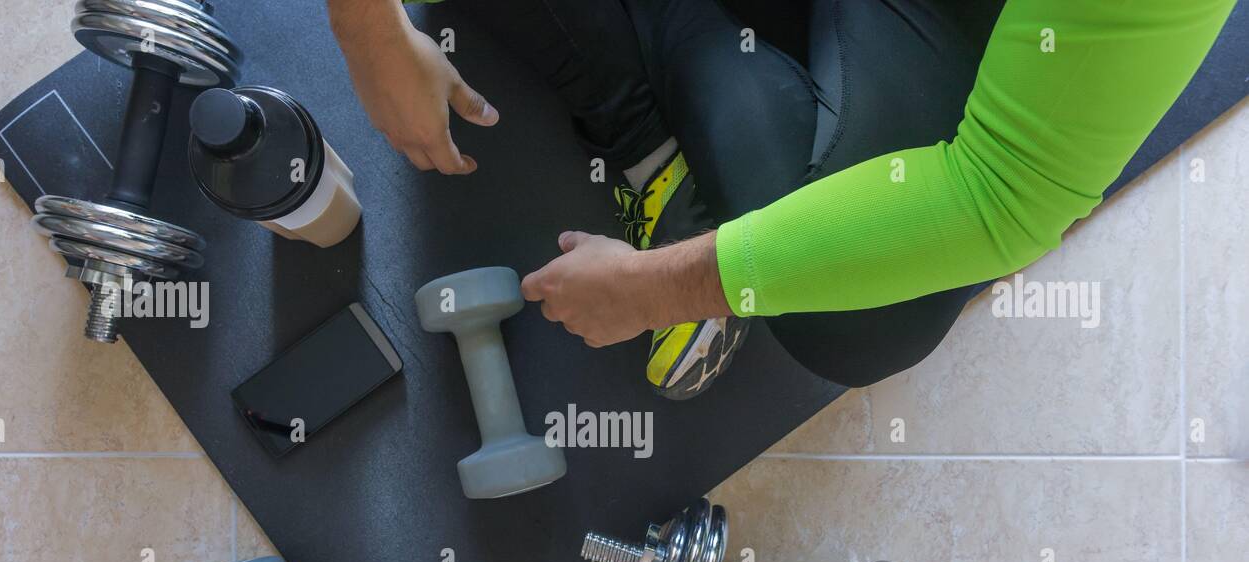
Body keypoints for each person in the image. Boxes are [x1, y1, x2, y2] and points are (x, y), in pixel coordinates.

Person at [327, 0, 1235, 399]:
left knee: (861, 324)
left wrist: (665, 287)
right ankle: (656, 137)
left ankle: (660, 103)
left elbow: (1000, 197)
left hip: (988, 27)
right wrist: (363, 26)